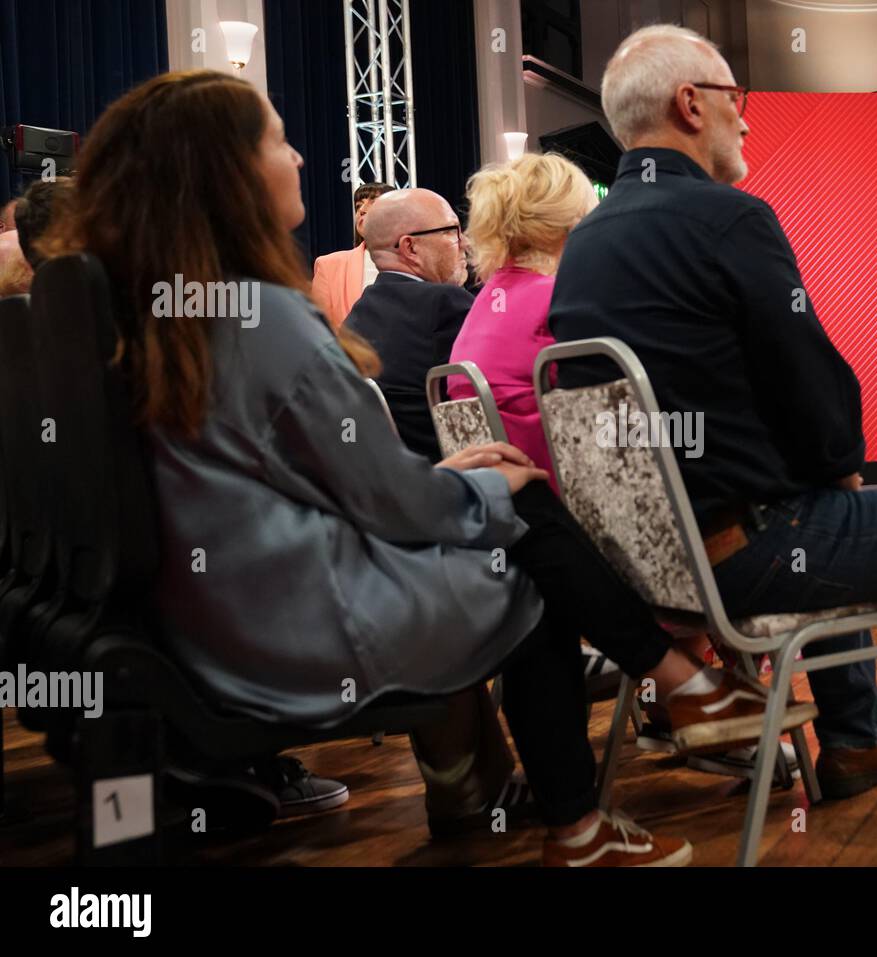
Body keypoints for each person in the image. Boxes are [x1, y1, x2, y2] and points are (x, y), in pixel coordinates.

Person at [50, 69, 798, 866]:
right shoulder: (261, 316)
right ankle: (622, 766)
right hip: (298, 625)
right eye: (277, 139)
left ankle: (647, 720)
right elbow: (390, 501)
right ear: (222, 171)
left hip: (211, 609)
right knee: (532, 552)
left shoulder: (155, 310)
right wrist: (478, 484)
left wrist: (466, 479)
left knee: (516, 505)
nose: (301, 156)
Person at [548, 24, 877, 855]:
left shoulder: (583, 242)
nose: (748, 119)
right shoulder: (730, 219)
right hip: (751, 551)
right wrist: (841, 467)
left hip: (656, 566)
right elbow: (815, 385)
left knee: (818, 506)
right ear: (690, 104)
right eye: (738, 99)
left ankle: (856, 740)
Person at [450, 151, 802, 782]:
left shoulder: (487, 305)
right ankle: (754, 712)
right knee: (748, 523)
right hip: (599, 538)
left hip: (535, 533)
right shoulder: (564, 304)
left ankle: (685, 705)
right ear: (572, 223)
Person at [342, 188, 473, 462]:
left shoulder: (359, 312)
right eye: (452, 231)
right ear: (410, 247)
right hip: (450, 480)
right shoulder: (444, 304)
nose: (465, 243)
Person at [311, 182, 394, 329]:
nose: (362, 210)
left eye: (372, 203)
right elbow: (319, 329)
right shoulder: (328, 265)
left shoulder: (417, 261)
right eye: (358, 206)